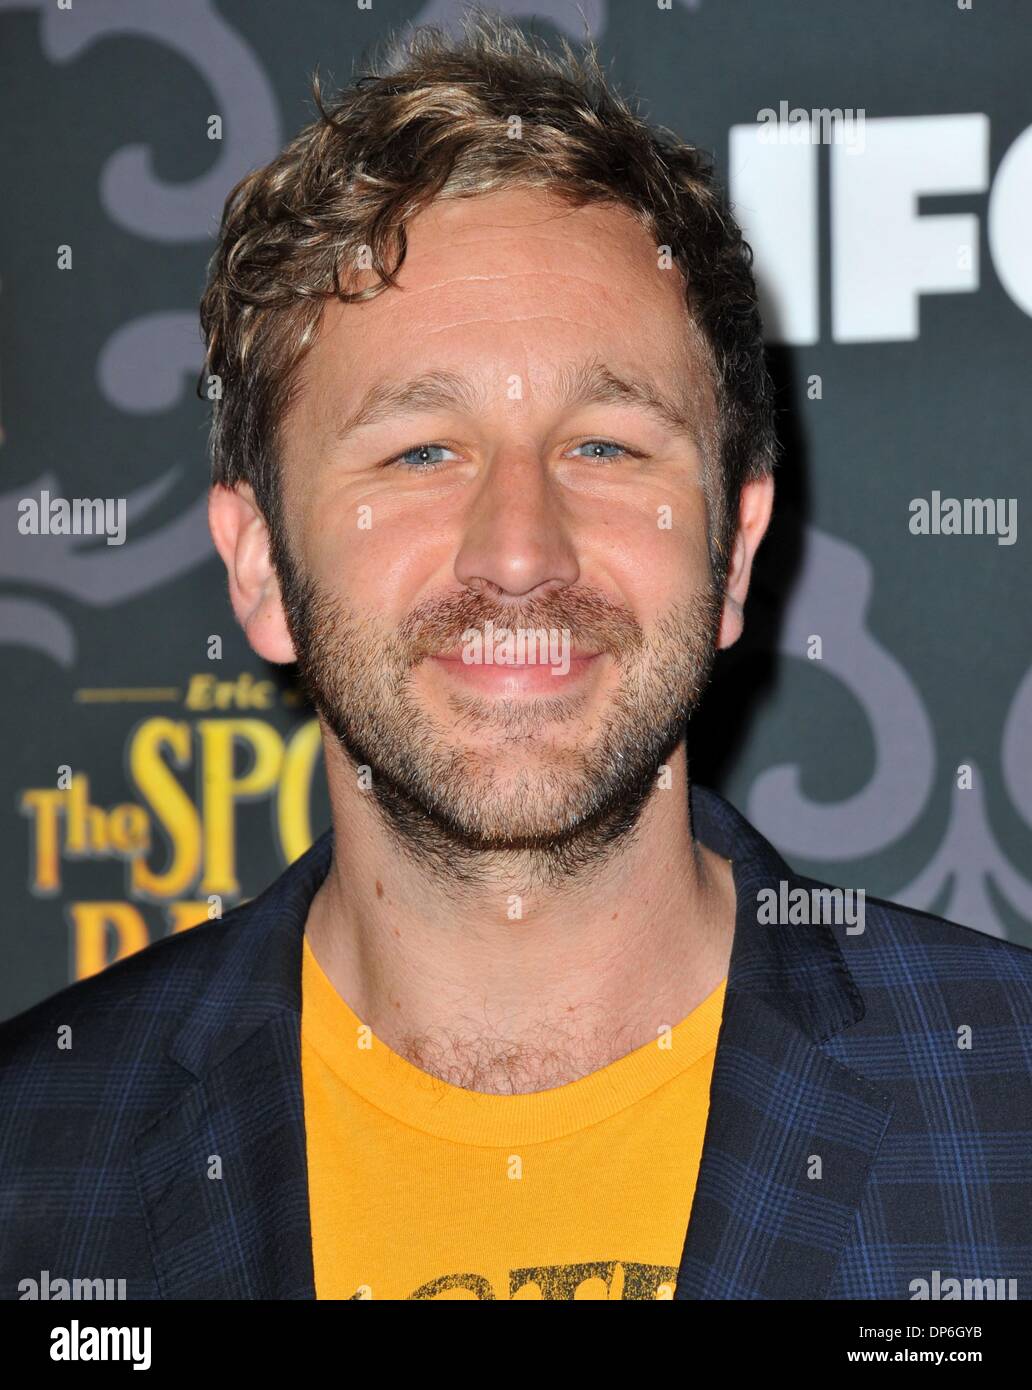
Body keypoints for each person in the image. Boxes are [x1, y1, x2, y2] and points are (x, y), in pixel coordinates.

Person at [2, 13, 1030, 1302]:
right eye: (419, 451)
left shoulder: (1008, 1109)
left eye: (605, 445)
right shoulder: (34, 1161)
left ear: (736, 552)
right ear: (260, 568)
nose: (522, 547)